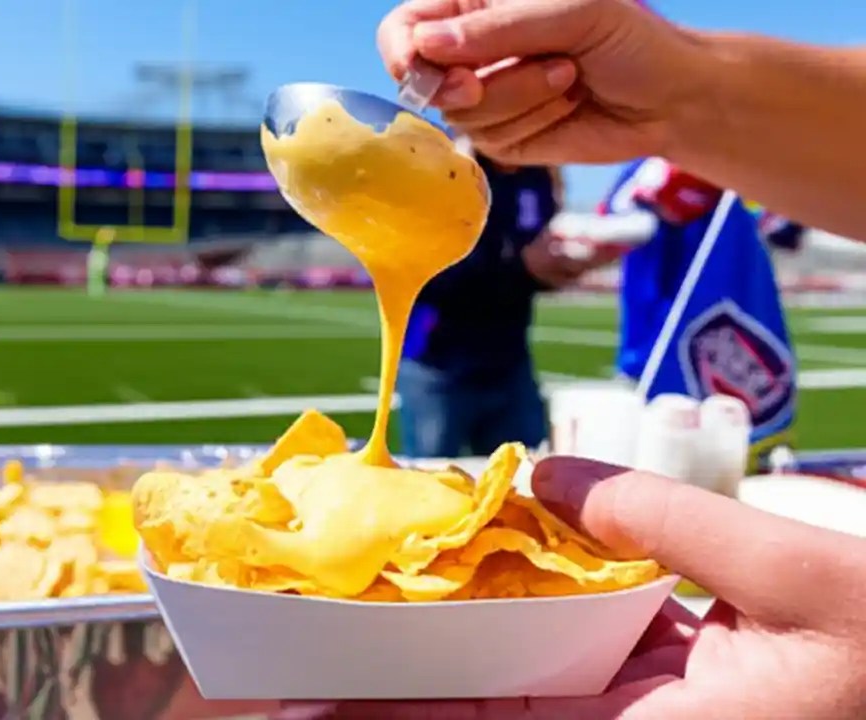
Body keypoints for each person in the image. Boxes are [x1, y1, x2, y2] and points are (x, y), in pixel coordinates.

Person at [272, 1, 866, 717]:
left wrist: (551, 262)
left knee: (522, 500)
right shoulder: (463, 163)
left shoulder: (528, 177)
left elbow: (518, 259)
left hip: (509, 357)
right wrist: (678, 92)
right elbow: (452, 270)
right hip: (435, 361)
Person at [398, 139, 586, 458]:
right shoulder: (445, 170)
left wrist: (564, 266)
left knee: (525, 483)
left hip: (509, 358)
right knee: (432, 486)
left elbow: (536, 255)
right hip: (439, 361)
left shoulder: (538, 175)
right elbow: (425, 271)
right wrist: (522, 267)